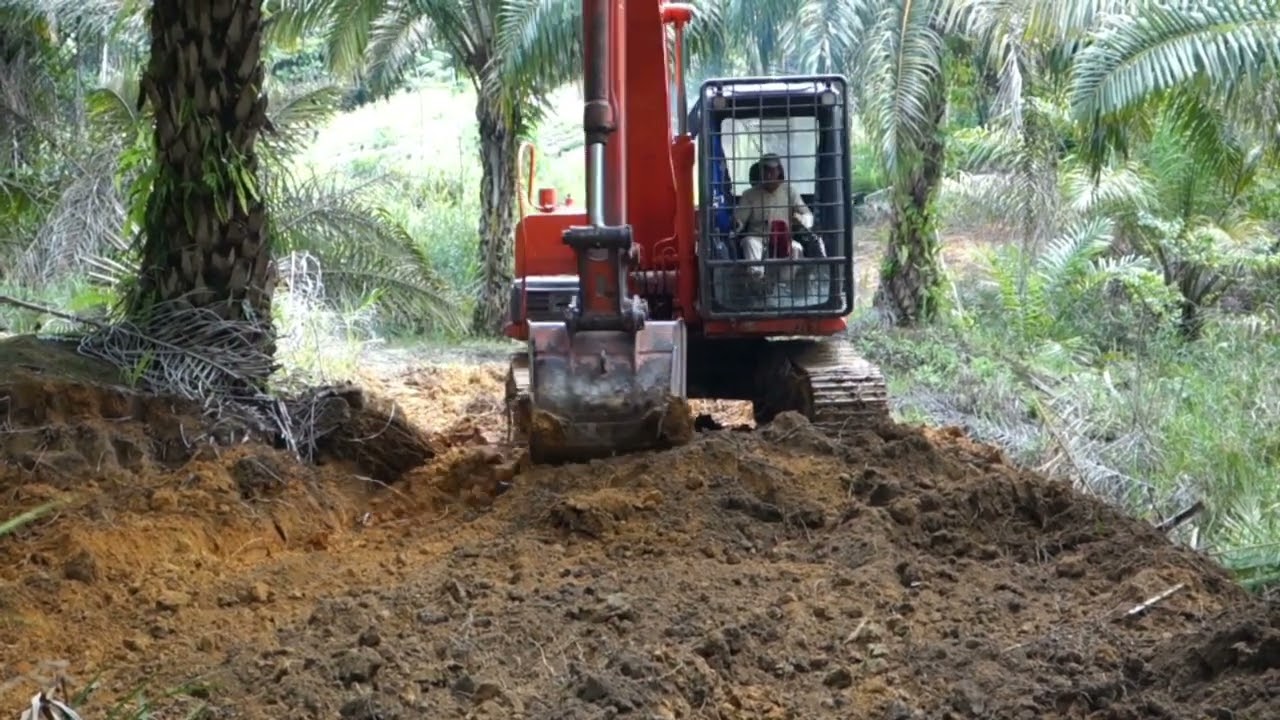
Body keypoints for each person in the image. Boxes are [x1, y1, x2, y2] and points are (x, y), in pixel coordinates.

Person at [731, 153, 815, 290]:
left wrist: (801, 219)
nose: (769, 175)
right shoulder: (749, 195)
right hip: (758, 238)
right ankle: (758, 283)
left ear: (779, 172)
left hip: (783, 239)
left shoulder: (790, 192)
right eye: (765, 170)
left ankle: (786, 286)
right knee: (749, 242)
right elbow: (739, 222)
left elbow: (808, 216)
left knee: (796, 248)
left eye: (772, 170)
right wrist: (736, 223)